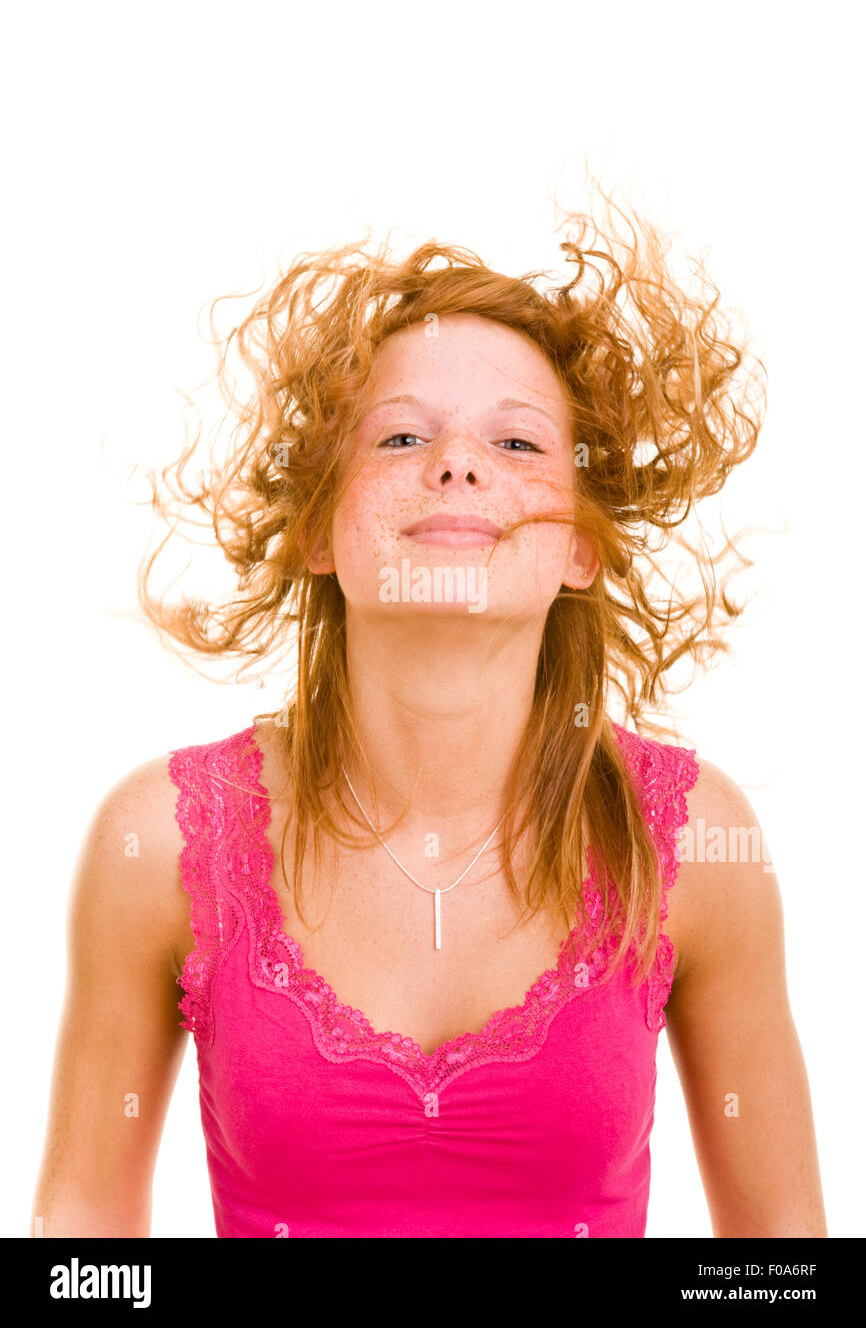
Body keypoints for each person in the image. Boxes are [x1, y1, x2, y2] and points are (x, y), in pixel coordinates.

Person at [31, 197, 827, 1237]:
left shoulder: (691, 845)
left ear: (580, 548)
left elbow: (780, 1262)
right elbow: (78, 1244)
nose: (457, 464)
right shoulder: (156, 841)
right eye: (402, 435)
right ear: (316, 527)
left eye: (517, 442)